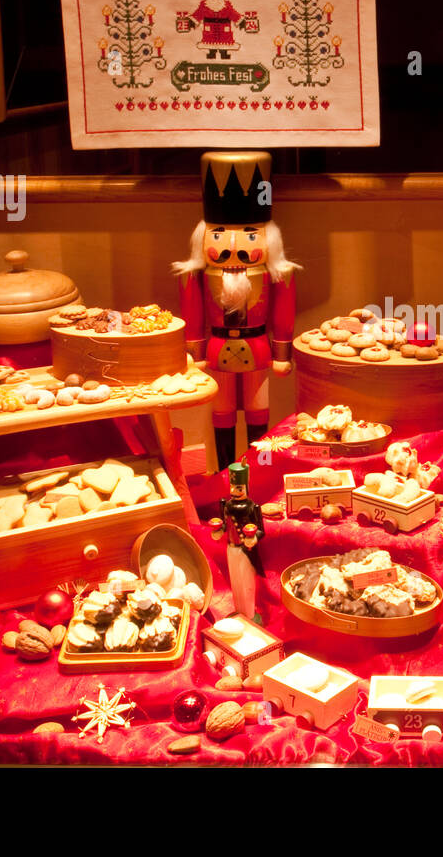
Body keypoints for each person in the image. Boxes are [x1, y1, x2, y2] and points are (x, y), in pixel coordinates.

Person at [173, 151, 298, 470]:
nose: (233, 247)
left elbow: (283, 312)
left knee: (260, 411)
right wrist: (194, 352)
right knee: (222, 412)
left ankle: (261, 469)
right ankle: (226, 472)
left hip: (257, 349)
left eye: (250, 236)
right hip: (217, 350)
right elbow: (193, 315)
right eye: (218, 235)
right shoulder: (195, 276)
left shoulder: (277, 276)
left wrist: (282, 354)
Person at [210, 463, 265, 620]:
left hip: (245, 550)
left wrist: (253, 537)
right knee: (235, 582)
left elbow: (261, 530)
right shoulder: (227, 506)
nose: (235, 492)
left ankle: (248, 614)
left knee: (246, 582)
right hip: (231, 548)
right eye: (233, 488)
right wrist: (219, 530)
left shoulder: (252, 507)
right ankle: (239, 612)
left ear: (246, 487)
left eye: (239, 488)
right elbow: (225, 524)